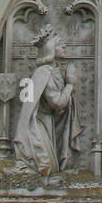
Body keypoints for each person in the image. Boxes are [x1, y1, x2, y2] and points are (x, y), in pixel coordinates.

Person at [13, 27, 82, 174]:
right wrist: (70, 84)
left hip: (49, 123)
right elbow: (56, 103)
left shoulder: (55, 71)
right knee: (47, 167)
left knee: (52, 169)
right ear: (51, 49)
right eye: (59, 44)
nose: (64, 46)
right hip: (38, 126)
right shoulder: (43, 73)